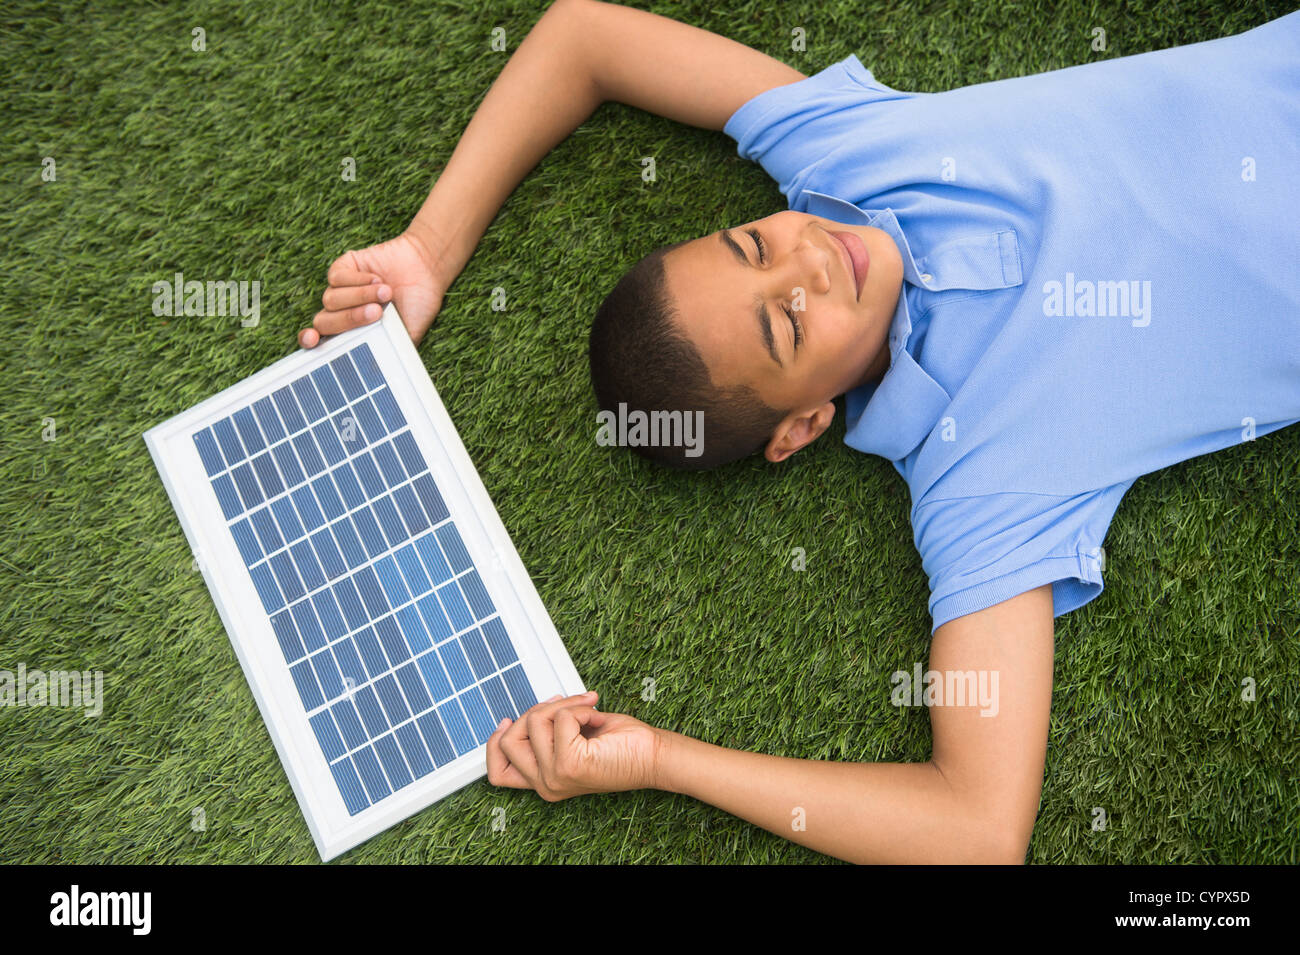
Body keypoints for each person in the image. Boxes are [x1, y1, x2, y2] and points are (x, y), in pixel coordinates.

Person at [298, 0, 1300, 863]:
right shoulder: (982, 483)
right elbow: (975, 828)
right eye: (786, 323)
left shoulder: (848, 158)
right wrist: (660, 759)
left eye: (752, 243)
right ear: (803, 425)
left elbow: (585, 37)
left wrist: (429, 248)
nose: (810, 258)